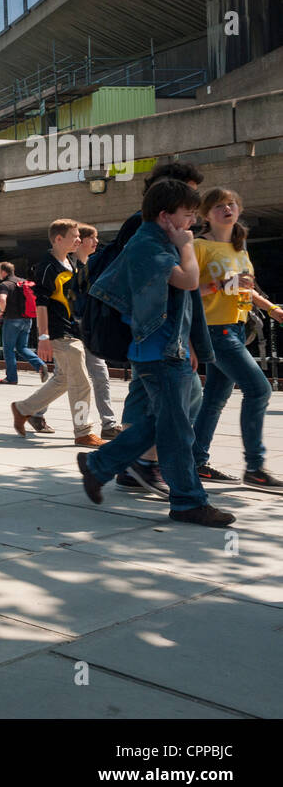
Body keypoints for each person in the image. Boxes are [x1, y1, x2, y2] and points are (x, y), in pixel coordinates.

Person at [77, 179, 234, 527]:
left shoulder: (157, 239)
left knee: (168, 422)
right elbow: (188, 282)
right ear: (165, 216)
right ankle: (188, 501)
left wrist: (189, 343)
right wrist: (187, 247)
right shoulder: (149, 244)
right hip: (158, 352)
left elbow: (181, 303)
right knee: (177, 431)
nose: (191, 223)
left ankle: (99, 465)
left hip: (166, 350)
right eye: (187, 215)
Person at [192, 187, 282, 487]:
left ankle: (196, 462)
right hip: (215, 330)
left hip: (237, 326)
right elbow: (186, 289)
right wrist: (221, 284)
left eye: (232, 204)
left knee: (215, 398)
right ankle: (255, 468)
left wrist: (272, 309)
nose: (227, 209)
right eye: (219, 206)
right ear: (206, 215)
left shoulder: (239, 247)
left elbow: (245, 286)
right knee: (259, 391)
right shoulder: (199, 246)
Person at [10, 219, 102, 447]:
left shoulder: (71, 261)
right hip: (60, 332)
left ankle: (23, 409)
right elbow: (41, 304)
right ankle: (83, 431)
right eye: (75, 236)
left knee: (63, 379)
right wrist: (43, 337)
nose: (79, 240)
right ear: (58, 239)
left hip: (73, 329)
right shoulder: (47, 267)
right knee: (82, 383)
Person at [73, 225, 120, 438]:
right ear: (80, 241)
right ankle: (32, 410)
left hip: (87, 326)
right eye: (92, 238)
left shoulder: (92, 264)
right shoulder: (66, 266)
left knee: (99, 374)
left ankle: (108, 424)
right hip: (70, 330)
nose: (96, 242)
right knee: (70, 380)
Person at [0, 261, 48, 385]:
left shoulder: (5, 284)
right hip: (27, 320)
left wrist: (2, 311)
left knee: (8, 349)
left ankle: (11, 378)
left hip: (12, 320)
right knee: (22, 347)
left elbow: (2, 299)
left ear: (3, 272)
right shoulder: (24, 282)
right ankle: (40, 365)